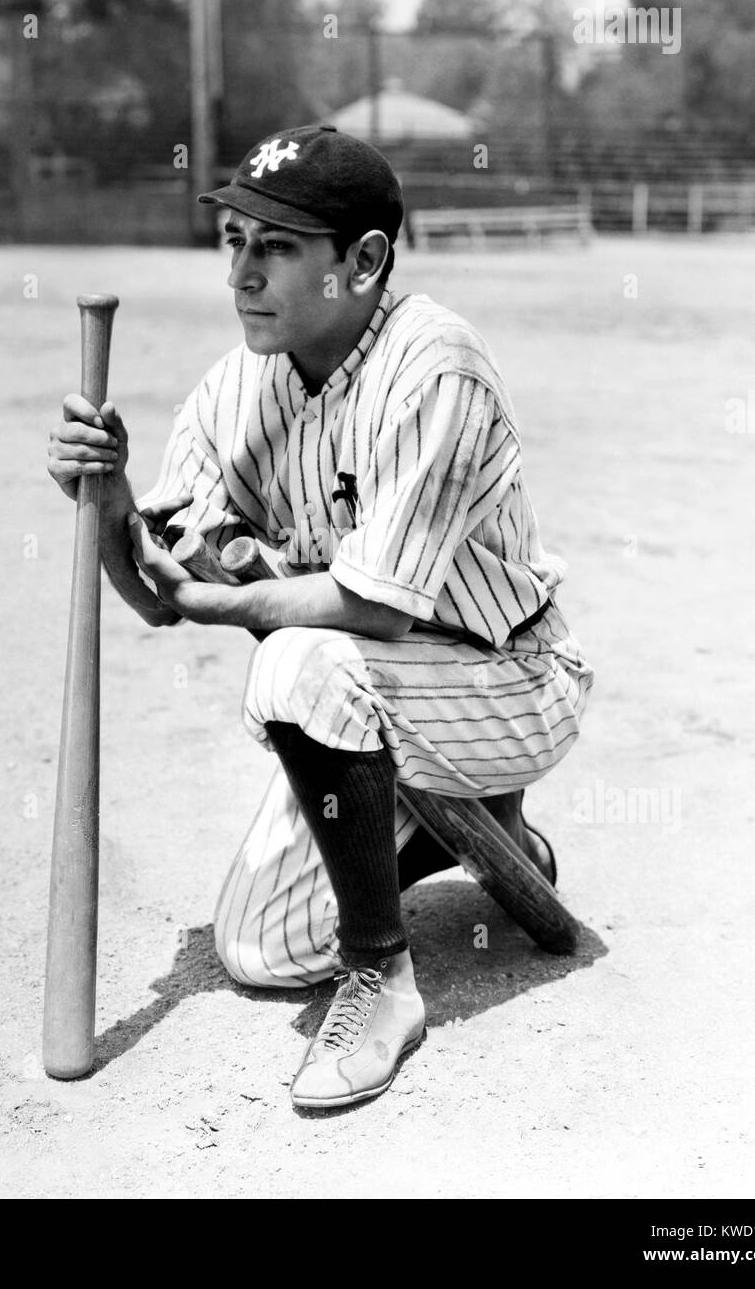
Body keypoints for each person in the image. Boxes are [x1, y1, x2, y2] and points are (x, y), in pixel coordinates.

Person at [47, 124, 594, 1109]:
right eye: (232, 242)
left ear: (364, 260)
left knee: (297, 654)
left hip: (509, 683)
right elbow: (157, 593)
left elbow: (373, 611)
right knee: (257, 948)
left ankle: (382, 979)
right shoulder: (230, 395)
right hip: (371, 701)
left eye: (277, 247)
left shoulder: (433, 364)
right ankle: (488, 840)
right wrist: (112, 501)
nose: (241, 275)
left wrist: (238, 602)